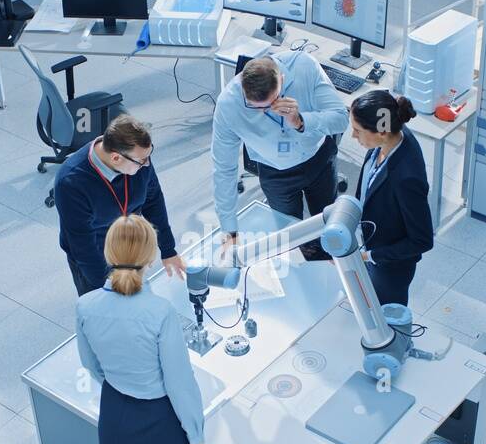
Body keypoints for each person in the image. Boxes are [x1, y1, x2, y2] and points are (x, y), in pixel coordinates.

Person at [75, 215, 205, 444]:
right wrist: (196, 435)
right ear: (149, 257)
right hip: (158, 421)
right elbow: (179, 383)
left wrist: (122, 381)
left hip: (114, 413)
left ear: (108, 252)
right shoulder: (160, 312)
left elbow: (91, 365)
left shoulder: (85, 305)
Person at [211, 52, 348, 255]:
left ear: (282, 80)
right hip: (276, 175)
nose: (265, 111)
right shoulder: (228, 106)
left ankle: (333, 264)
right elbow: (224, 167)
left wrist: (302, 121)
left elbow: (341, 119)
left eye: (271, 103)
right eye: (256, 107)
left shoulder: (304, 67)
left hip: (319, 161)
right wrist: (229, 229)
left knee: (329, 222)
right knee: (292, 239)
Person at [55, 115, 186, 296]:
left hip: (130, 245)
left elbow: (153, 200)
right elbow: (83, 246)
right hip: (95, 254)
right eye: (142, 161)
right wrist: (108, 290)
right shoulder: (71, 182)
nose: (147, 164)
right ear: (116, 158)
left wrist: (168, 249)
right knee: (103, 313)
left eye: (148, 157)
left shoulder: (137, 159)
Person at [348, 90, 434, 306]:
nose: (353, 136)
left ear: (381, 132)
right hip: (368, 242)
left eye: (358, 131)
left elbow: (422, 240)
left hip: (388, 265)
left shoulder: (407, 178)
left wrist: (369, 256)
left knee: (387, 320)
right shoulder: (387, 139)